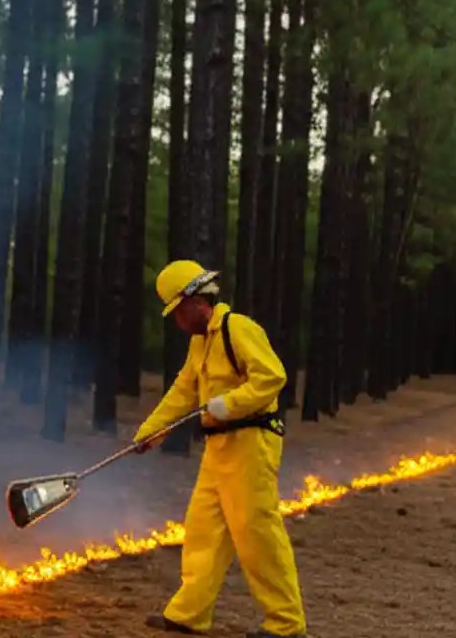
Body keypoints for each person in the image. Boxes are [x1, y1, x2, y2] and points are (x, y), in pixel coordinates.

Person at [135, 259, 309, 638]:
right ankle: (188, 613)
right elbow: (183, 390)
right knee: (203, 530)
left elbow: (272, 377)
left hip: (252, 442)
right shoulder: (200, 343)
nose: (178, 321)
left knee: (256, 532)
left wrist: (228, 404)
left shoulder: (238, 329)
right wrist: (151, 431)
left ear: (197, 301)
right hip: (219, 448)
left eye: (179, 311)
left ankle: (286, 625)